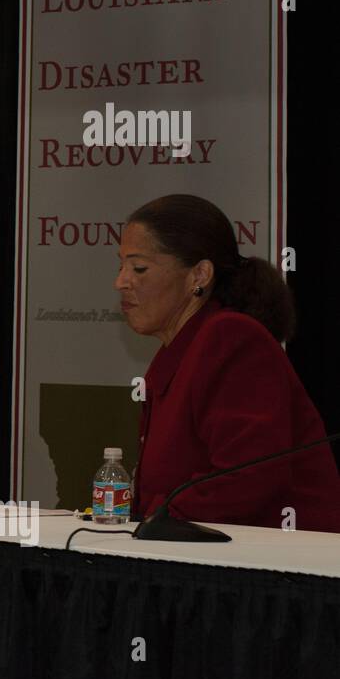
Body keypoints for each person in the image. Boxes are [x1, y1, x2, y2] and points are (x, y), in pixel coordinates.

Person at [115, 194, 340, 531]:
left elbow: (246, 476)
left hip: (277, 568)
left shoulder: (231, 337)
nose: (121, 281)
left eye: (139, 268)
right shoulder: (177, 350)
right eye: (121, 266)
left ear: (199, 275)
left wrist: (158, 515)